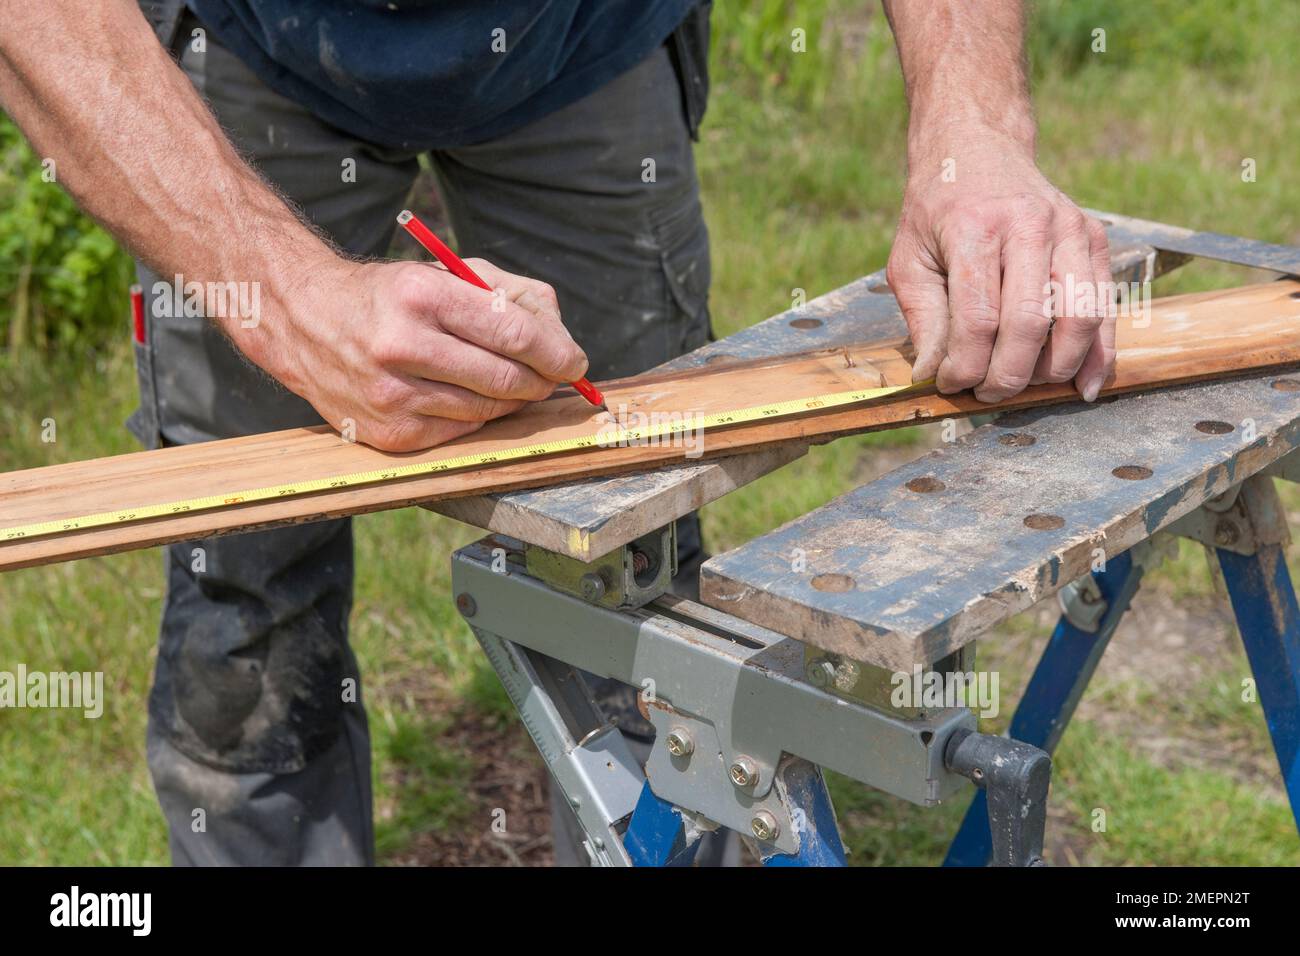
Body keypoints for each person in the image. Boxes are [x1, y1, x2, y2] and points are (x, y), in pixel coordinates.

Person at [0, 0, 1112, 865]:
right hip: (253, 48)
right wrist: (280, 297)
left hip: (582, 46)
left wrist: (974, 131)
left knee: (637, 581)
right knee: (240, 586)